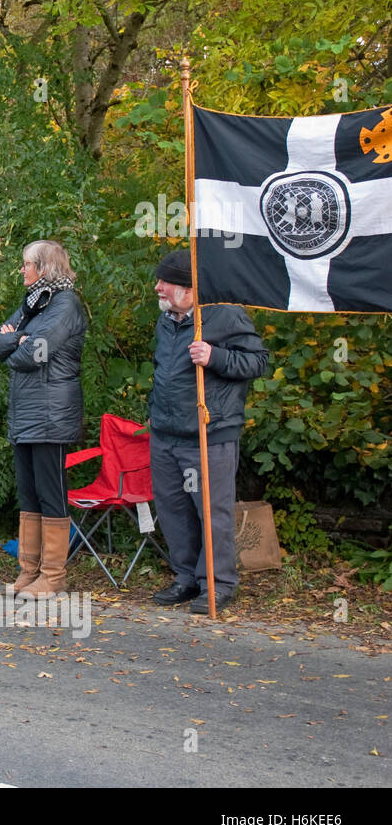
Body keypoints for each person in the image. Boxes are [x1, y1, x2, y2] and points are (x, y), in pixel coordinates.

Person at [149, 249, 268, 614]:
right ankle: (185, 578)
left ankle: (218, 585)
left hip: (209, 432)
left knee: (211, 513)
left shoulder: (224, 314)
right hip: (166, 433)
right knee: (173, 511)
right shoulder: (166, 321)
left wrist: (215, 356)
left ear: (188, 288)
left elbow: (258, 361)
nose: (158, 288)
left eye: (165, 283)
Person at [0, 239, 87, 597]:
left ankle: (53, 576)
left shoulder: (66, 305)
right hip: (25, 416)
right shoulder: (33, 306)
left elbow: (32, 355)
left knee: (51, 495)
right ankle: (28, 572)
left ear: (44, 268)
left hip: (51, 415)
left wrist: (17, 343)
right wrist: (19, 339)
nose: (22, 270)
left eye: (26, 264)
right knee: (28, 495)